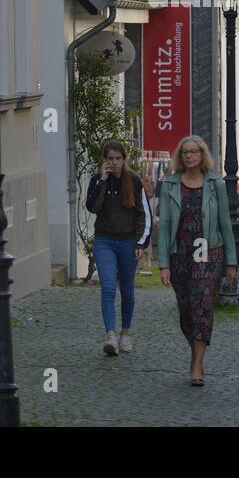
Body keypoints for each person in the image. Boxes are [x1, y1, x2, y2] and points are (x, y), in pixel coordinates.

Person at [156, 135, 238, 386]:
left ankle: (197, 365)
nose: (189, 156)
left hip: (209, 253)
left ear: (202, 155)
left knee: (203, 306)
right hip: (180, 254)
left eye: (194, 152)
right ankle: (196, 351)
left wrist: (231, 262)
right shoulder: (170, 184)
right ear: (180, 157)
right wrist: (163, 264)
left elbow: (225, 222)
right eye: (185, 152)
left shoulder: (215, 184)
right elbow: (166, 225)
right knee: (187, 311)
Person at [85, 141, 151, 357]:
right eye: (109, 159)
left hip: (128, 242)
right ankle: (110, 336)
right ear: (104, 160)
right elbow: (93, 207)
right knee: (108, 287)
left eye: (117, 159)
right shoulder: (97, 181)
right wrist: (102, 182)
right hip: (104, 240)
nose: (113, 163)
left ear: (124, 160)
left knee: (127, 291)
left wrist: (141, 243)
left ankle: (125, 334)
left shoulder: (133, 180)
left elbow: (144, 214)